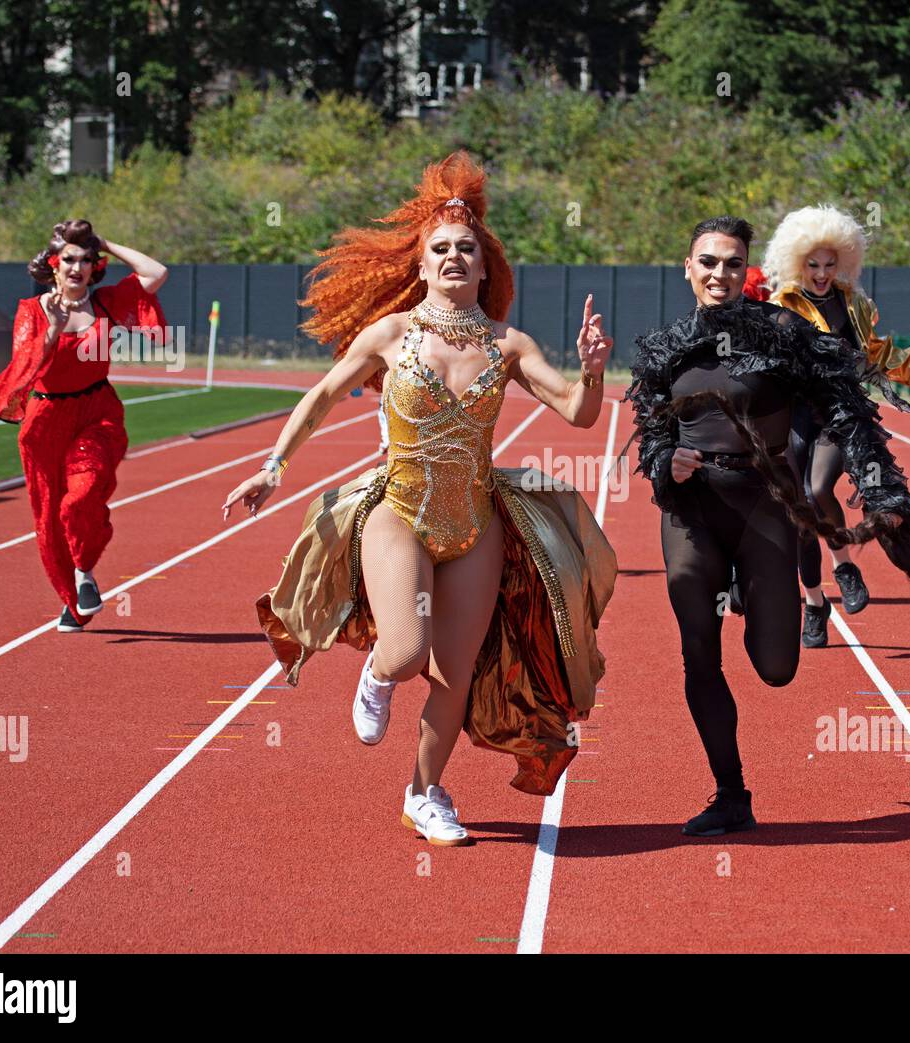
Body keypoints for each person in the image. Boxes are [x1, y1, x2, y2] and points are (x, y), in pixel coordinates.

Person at [222, 153, 617, 846]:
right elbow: (320, 396)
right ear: (422, 264)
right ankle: (377, 674)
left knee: (453, 674)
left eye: (467, 248)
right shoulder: (391, 335)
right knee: (406, 652)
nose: (455, 257)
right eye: (441, 249)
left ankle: (424, 792)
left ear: (486, 266)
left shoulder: (509, 344)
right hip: (398, 513)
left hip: (477, 523)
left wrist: (591, 369)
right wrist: (273, 465)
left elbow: (579, 413)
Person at [627, 215, 910, 837]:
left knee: (776, 667)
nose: (719, 274)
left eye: (732, 263)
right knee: (698, 652)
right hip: (692, 512)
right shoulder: (664, 349)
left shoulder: (785, 335)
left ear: (750, 272)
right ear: (687, 269)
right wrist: (669, 462)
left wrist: (883, 490)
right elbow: (652, 440)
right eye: (708, 262)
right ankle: (730, 794)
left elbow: (849, 413)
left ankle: (751, 591)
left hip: (766, 505)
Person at [761, 205, 910, 646]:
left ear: (845, 261)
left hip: (841, 414)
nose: (822, 273)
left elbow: (884, 358)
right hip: (794, 415)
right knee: (797, 515)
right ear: (796, 263)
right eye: (813, 265)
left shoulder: (854, 303)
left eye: (830, 264)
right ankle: (815, 603)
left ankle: (843, 566)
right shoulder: (780, 305)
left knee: (816, 490)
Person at [0, 220, 168, 632]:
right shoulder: (31, 311)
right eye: (69, 259)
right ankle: (75, 594)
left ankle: (83, 568)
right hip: (45, 421)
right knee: (50, 517)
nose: (78, 267)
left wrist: (105, 241)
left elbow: (156, 273)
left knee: (81, 498)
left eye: (87, 260)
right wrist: (54, 331)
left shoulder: (109, 302)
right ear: (53, 265)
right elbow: (23, 368)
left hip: (97, 413)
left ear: (96, 267)